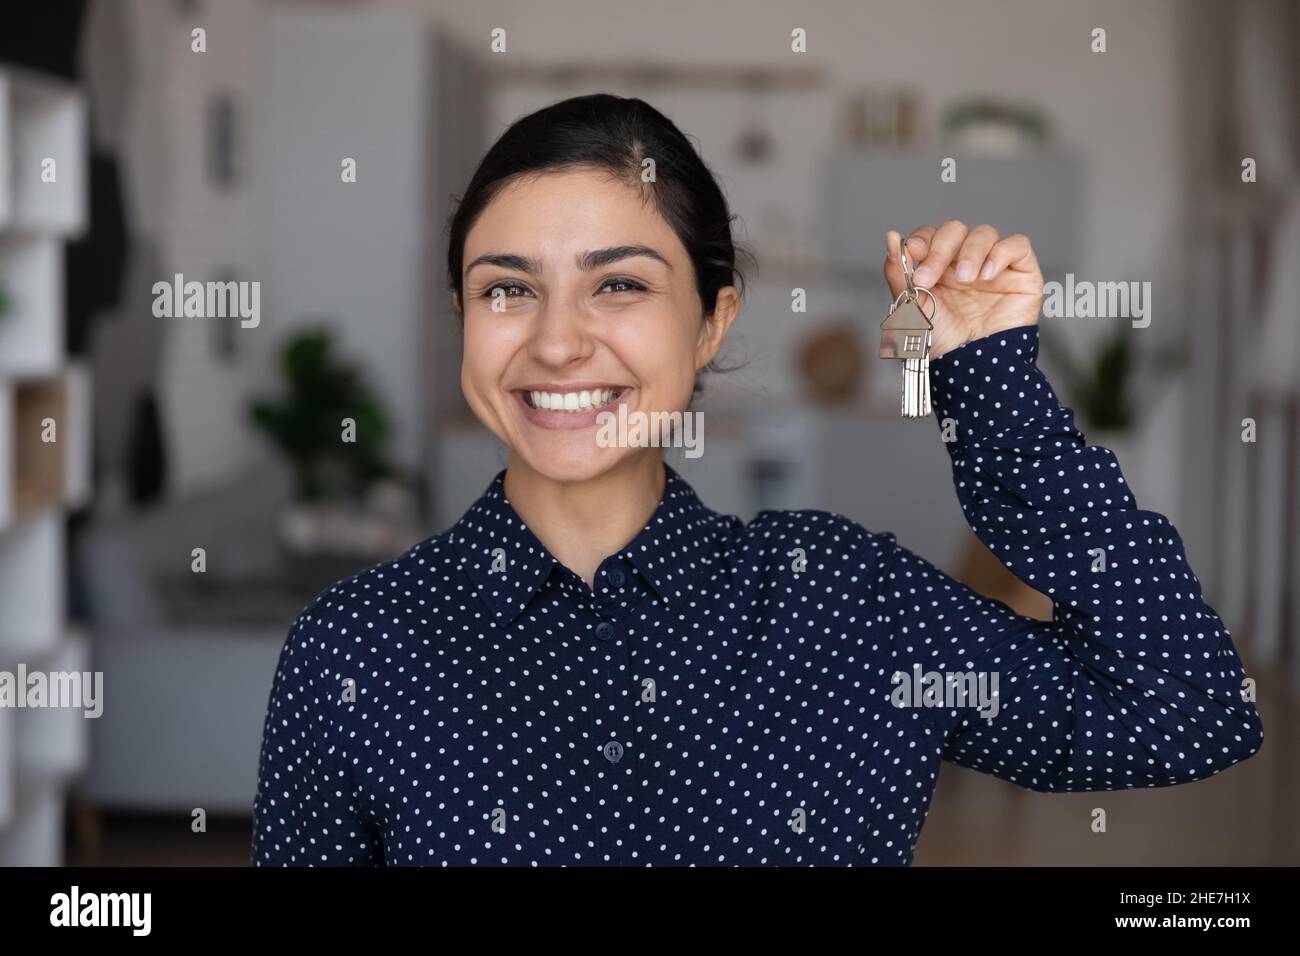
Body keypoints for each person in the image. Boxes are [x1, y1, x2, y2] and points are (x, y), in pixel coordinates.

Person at [252, 93, 1263, 866]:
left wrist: (990, 380)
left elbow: (1188, 706)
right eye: (507, 288)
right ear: (464, 319)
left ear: (712, 322)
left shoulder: (846, 604)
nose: (557, 342)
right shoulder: (353, 649)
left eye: (619, 284)